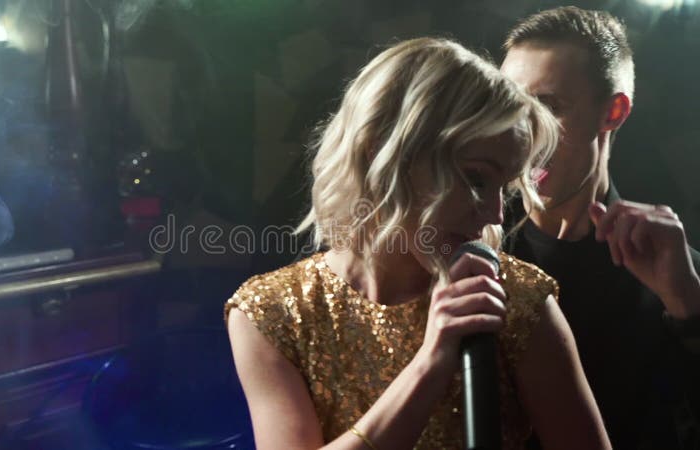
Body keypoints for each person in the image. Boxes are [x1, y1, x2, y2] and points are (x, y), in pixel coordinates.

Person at [225, 37, 610, 450]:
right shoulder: (272, 313)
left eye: (505, 186)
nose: (497, 215)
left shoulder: (515, 302)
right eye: (477, 178)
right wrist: (430, 363)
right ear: (381, 154)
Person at [499, 6, 700, 449]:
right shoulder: (471, 250)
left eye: (549, 106)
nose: (525, 131)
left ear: (613, 111)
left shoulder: (674, 272)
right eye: (511, 107)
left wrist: (690, 310)